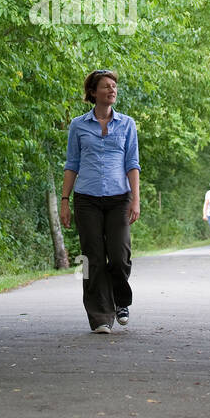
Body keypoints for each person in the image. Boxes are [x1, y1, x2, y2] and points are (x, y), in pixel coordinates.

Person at [60, 70, 141, 334]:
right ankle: (99, 317)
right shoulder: (78, 125)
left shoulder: (127, 124)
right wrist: (64, 200)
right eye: (106, 86)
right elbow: (72, 164)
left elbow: (132, 164)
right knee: (92, 259)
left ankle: (120, 301)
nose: (112, 90)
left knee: (119, 256)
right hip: (87, 199)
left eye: (114, 86)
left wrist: (135, 199)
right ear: (93, 92)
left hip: (119, 198)